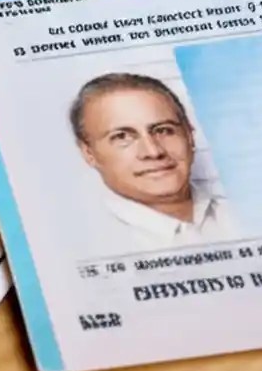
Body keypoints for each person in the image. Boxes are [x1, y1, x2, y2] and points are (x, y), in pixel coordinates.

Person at [69, 72, 234, 251]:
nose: (153, 152)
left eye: (163, 130)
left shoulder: (245, 211)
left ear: (189, 134)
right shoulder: (82, 245)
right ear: (88, 152)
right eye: (122, 136)